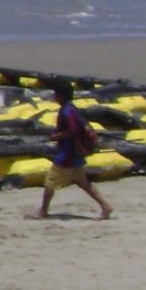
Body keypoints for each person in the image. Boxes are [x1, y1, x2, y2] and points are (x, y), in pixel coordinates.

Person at [37, 80, 113, 221]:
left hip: (68, 153)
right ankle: (105, 206)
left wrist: (56, 136)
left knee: (49, 182)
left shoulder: (67, 111)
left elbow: (73, 131)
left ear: (60, 95)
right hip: (75, 153)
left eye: (55, 94)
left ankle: (42, 212)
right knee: (84, 183)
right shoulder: (71, 109)